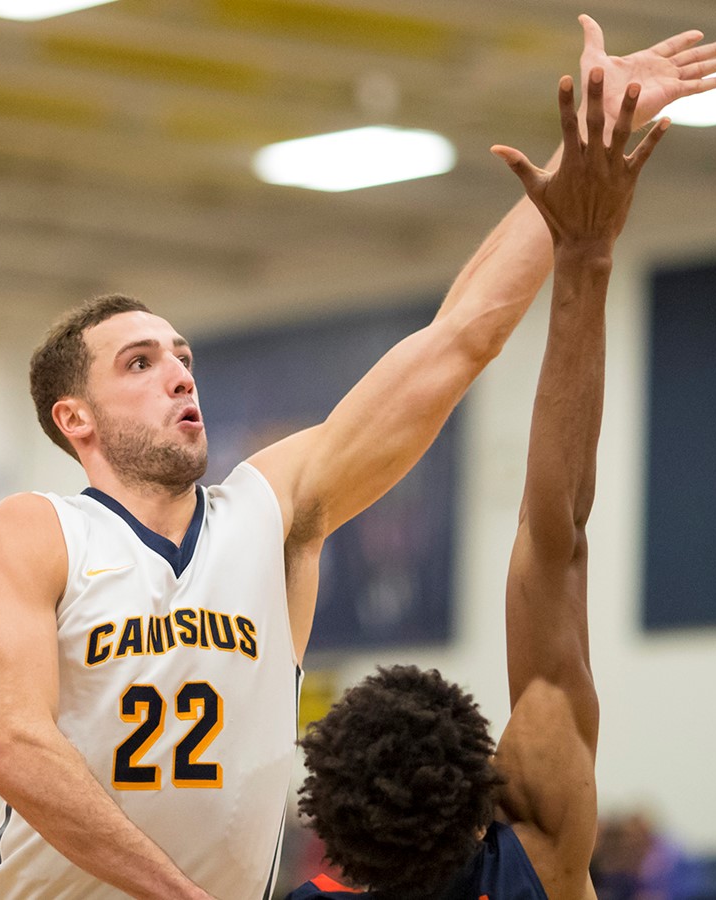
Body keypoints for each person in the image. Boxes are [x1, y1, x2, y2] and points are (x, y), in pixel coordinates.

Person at [0, 21, 716, 900]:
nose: (179, 373)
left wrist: (582, 163)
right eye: (140, 362)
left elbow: (456, 341)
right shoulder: (36, 531)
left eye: (182, 355)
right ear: (75, 419)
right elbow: (12, 748)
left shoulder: (271, 509)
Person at [284, 66, 663, 900]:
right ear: (482, 793)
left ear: (329, 829)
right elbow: (556, 541)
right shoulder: (537, 858)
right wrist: (586, 254)